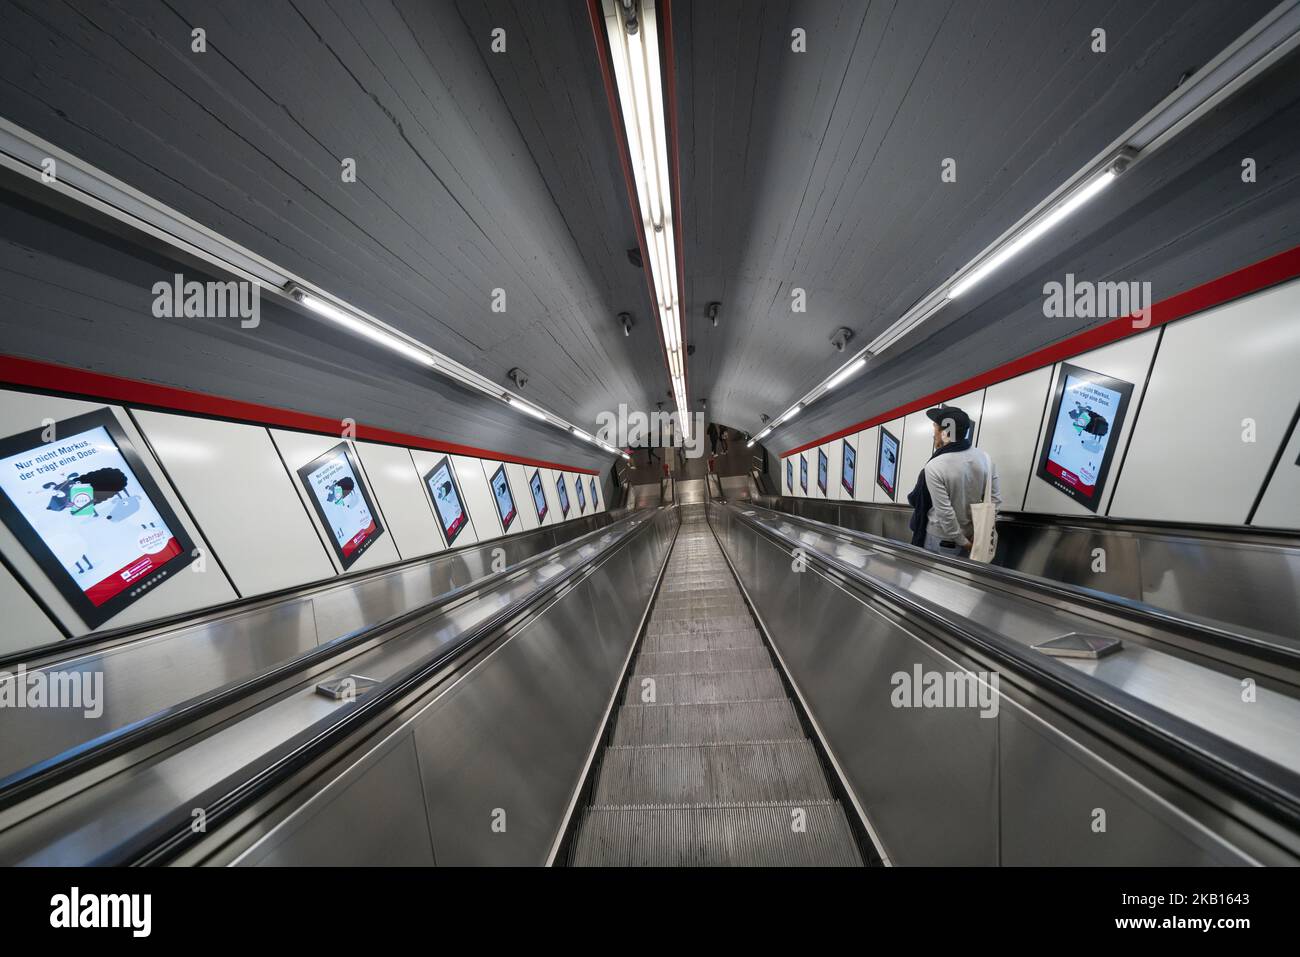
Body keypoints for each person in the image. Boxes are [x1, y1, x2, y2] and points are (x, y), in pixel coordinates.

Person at [906, 406, 1000, 558]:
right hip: (972, 536)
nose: (933, 433)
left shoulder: (935, 466)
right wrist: (977, 536)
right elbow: (995, 501)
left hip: (941, 539)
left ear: (944, 433)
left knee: (931, 579)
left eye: (935, 427)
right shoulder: (986, 459)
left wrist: (963, 542)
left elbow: (945, 513)